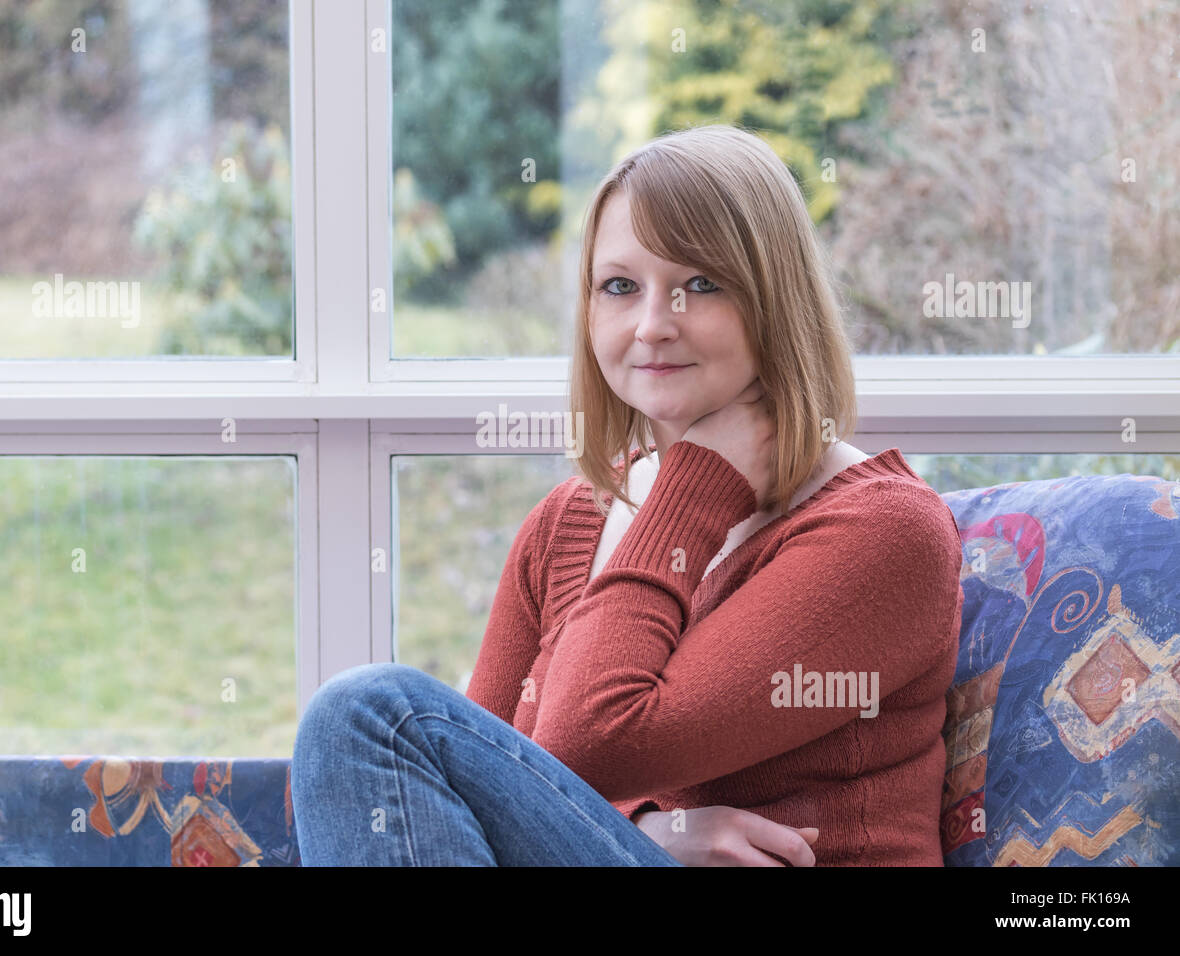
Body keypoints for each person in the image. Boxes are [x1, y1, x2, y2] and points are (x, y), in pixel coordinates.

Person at [291, 123, 965, 866]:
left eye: (699, 285)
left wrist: (694, 489)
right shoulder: (566, 524)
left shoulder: (883, 534)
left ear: (777, 300)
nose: (651, 326)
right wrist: (649, 828)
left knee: (370, 718)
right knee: (361, 735)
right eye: (619, 287)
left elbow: (591, 736)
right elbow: (474, 785)